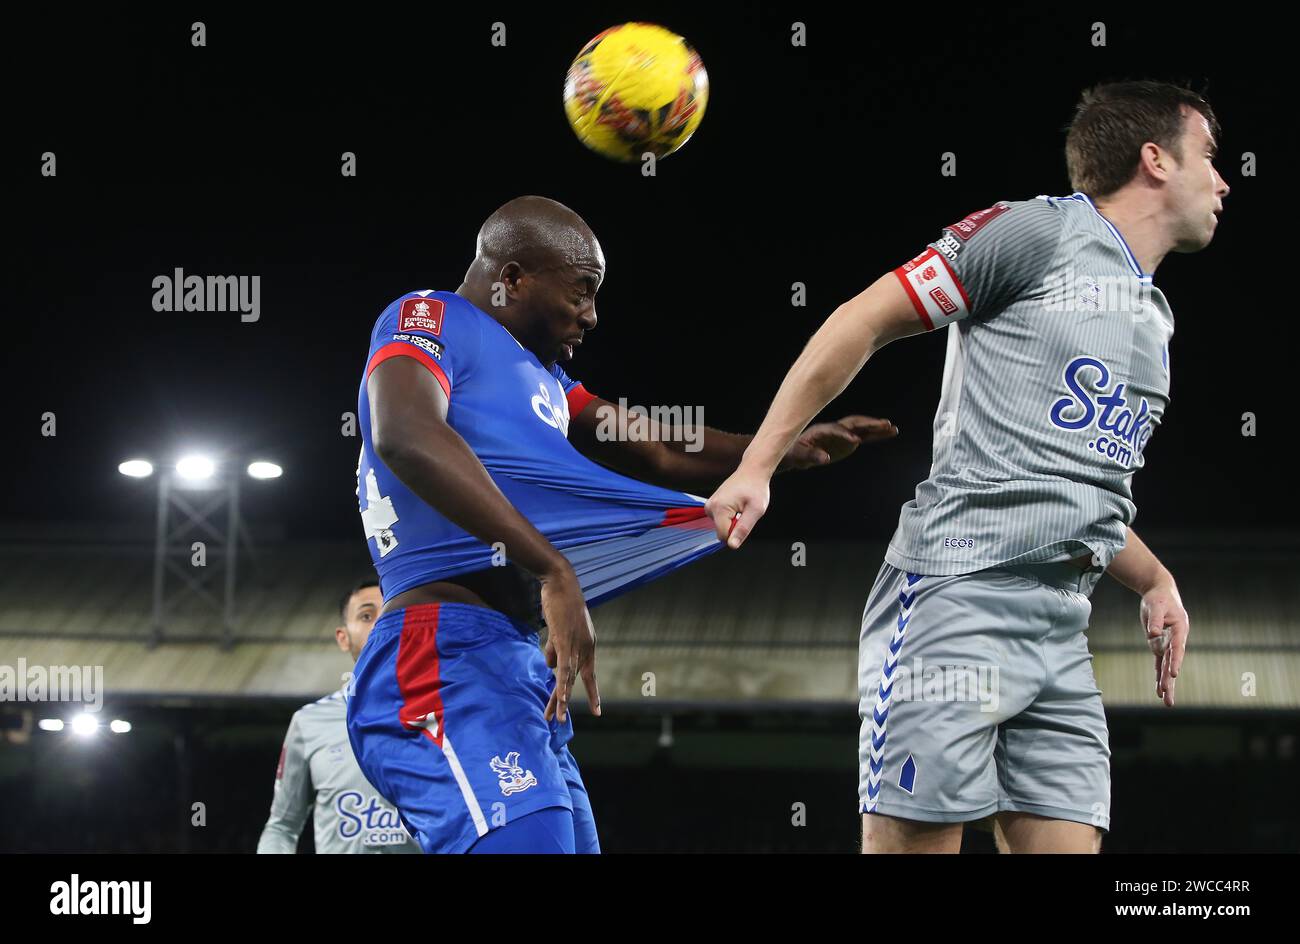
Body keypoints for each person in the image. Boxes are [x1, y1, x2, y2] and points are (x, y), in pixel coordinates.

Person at [705, 80, 1228, 853]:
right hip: (956, 602)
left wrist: (1154, 580)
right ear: (1155, 158)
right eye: (1210, 158)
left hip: (1061, 632)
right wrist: (759, 463)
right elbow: (863, 318)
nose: (1223, 180)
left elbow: (1078, 493)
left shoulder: (1154, 319)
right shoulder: (1035, 233)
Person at [347, 194, 898, 853]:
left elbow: (653, 447)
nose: (592, 314)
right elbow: (405, 433)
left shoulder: (546, 379)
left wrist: (777, 450)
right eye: (581, 291)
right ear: (514, 277)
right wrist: (551, 567)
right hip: (438, 653)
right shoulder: (427, 315)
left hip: (512, 662)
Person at [257, 579, 417, 853]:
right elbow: (282, 827)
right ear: (343, 638)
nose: (382, 624)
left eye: (392, 613)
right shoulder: (309, 723)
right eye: (367, 616)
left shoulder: (446, 716)